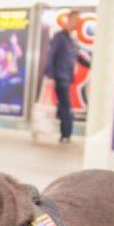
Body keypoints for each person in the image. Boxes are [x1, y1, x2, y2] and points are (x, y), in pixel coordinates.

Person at [43, 10, 90, 144]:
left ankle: (66, 134)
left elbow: (78, 57)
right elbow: (51, 54)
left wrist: (91, 64)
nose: (77, 23)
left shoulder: (71, 40)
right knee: (65, 106)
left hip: (67, 77)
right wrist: (49, 75)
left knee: (64, 106)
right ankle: (66, 134)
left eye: (78, 21)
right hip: (59, 76)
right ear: (69, 20)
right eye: (75, 20)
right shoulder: (60, 37)